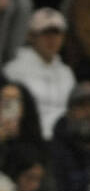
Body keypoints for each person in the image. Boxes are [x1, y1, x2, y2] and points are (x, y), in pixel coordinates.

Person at [4, 8, 76, 140]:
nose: (52, 39)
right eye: (45, 33)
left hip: (63, 141)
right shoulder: (13, 71)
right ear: (31, 36)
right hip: (29, 140)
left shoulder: (67, 74)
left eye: (56, 33)